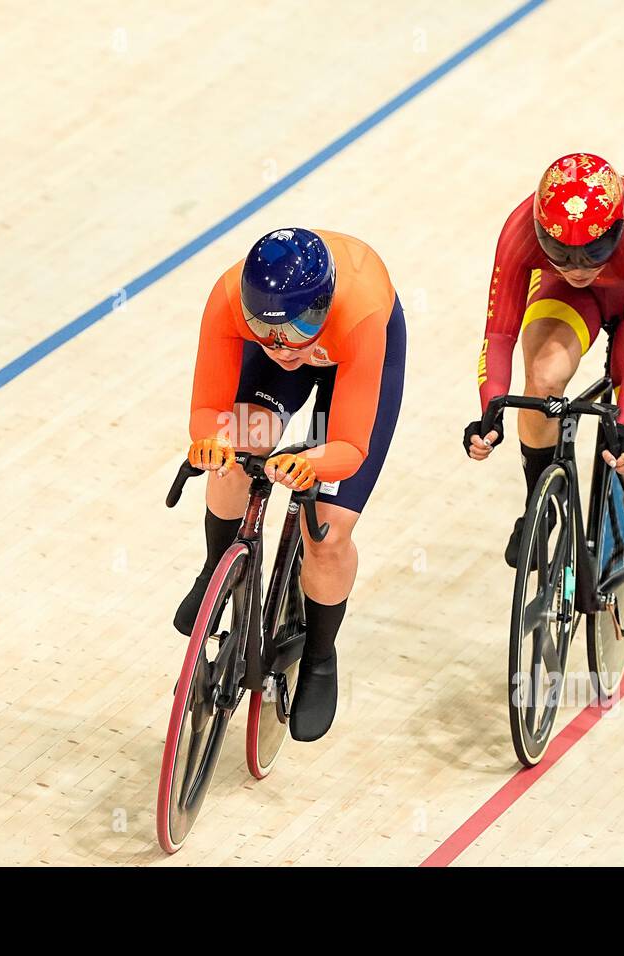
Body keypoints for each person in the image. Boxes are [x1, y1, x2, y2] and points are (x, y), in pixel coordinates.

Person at [179, 228, 405, 741]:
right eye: (264, 326)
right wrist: (211, 444)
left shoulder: (360, 312)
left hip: (351, 361)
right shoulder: (229, 298)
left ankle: (321, 658)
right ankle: (215, 572)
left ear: (322, 302)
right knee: (234, 452)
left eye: (300, 323)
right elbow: (207, 412)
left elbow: (347, 446)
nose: (282, 343)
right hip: (307, 358)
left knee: (326, 530)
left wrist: (313, 466)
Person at [464, 153, 624, 641]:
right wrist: (490, 412)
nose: (578, 266)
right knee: (543, 379)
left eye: (591, 252)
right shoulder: (522, 229)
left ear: (617, 229)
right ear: (543, 231)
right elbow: (497, 336)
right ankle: (538, 507)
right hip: (569, 299)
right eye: (562, 253)